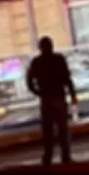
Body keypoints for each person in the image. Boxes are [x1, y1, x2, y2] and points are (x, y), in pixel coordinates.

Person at [26, 36, 78, 165]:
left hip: (46, 99)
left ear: (40, 48)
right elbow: (67, 78)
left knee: (48, 130)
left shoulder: (37, 62)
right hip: (58, 97)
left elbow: (29, 81)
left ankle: (48, 158)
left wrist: (38, 92)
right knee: (62, 129)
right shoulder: (58, 59)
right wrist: (73, 95)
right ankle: (65, 157)